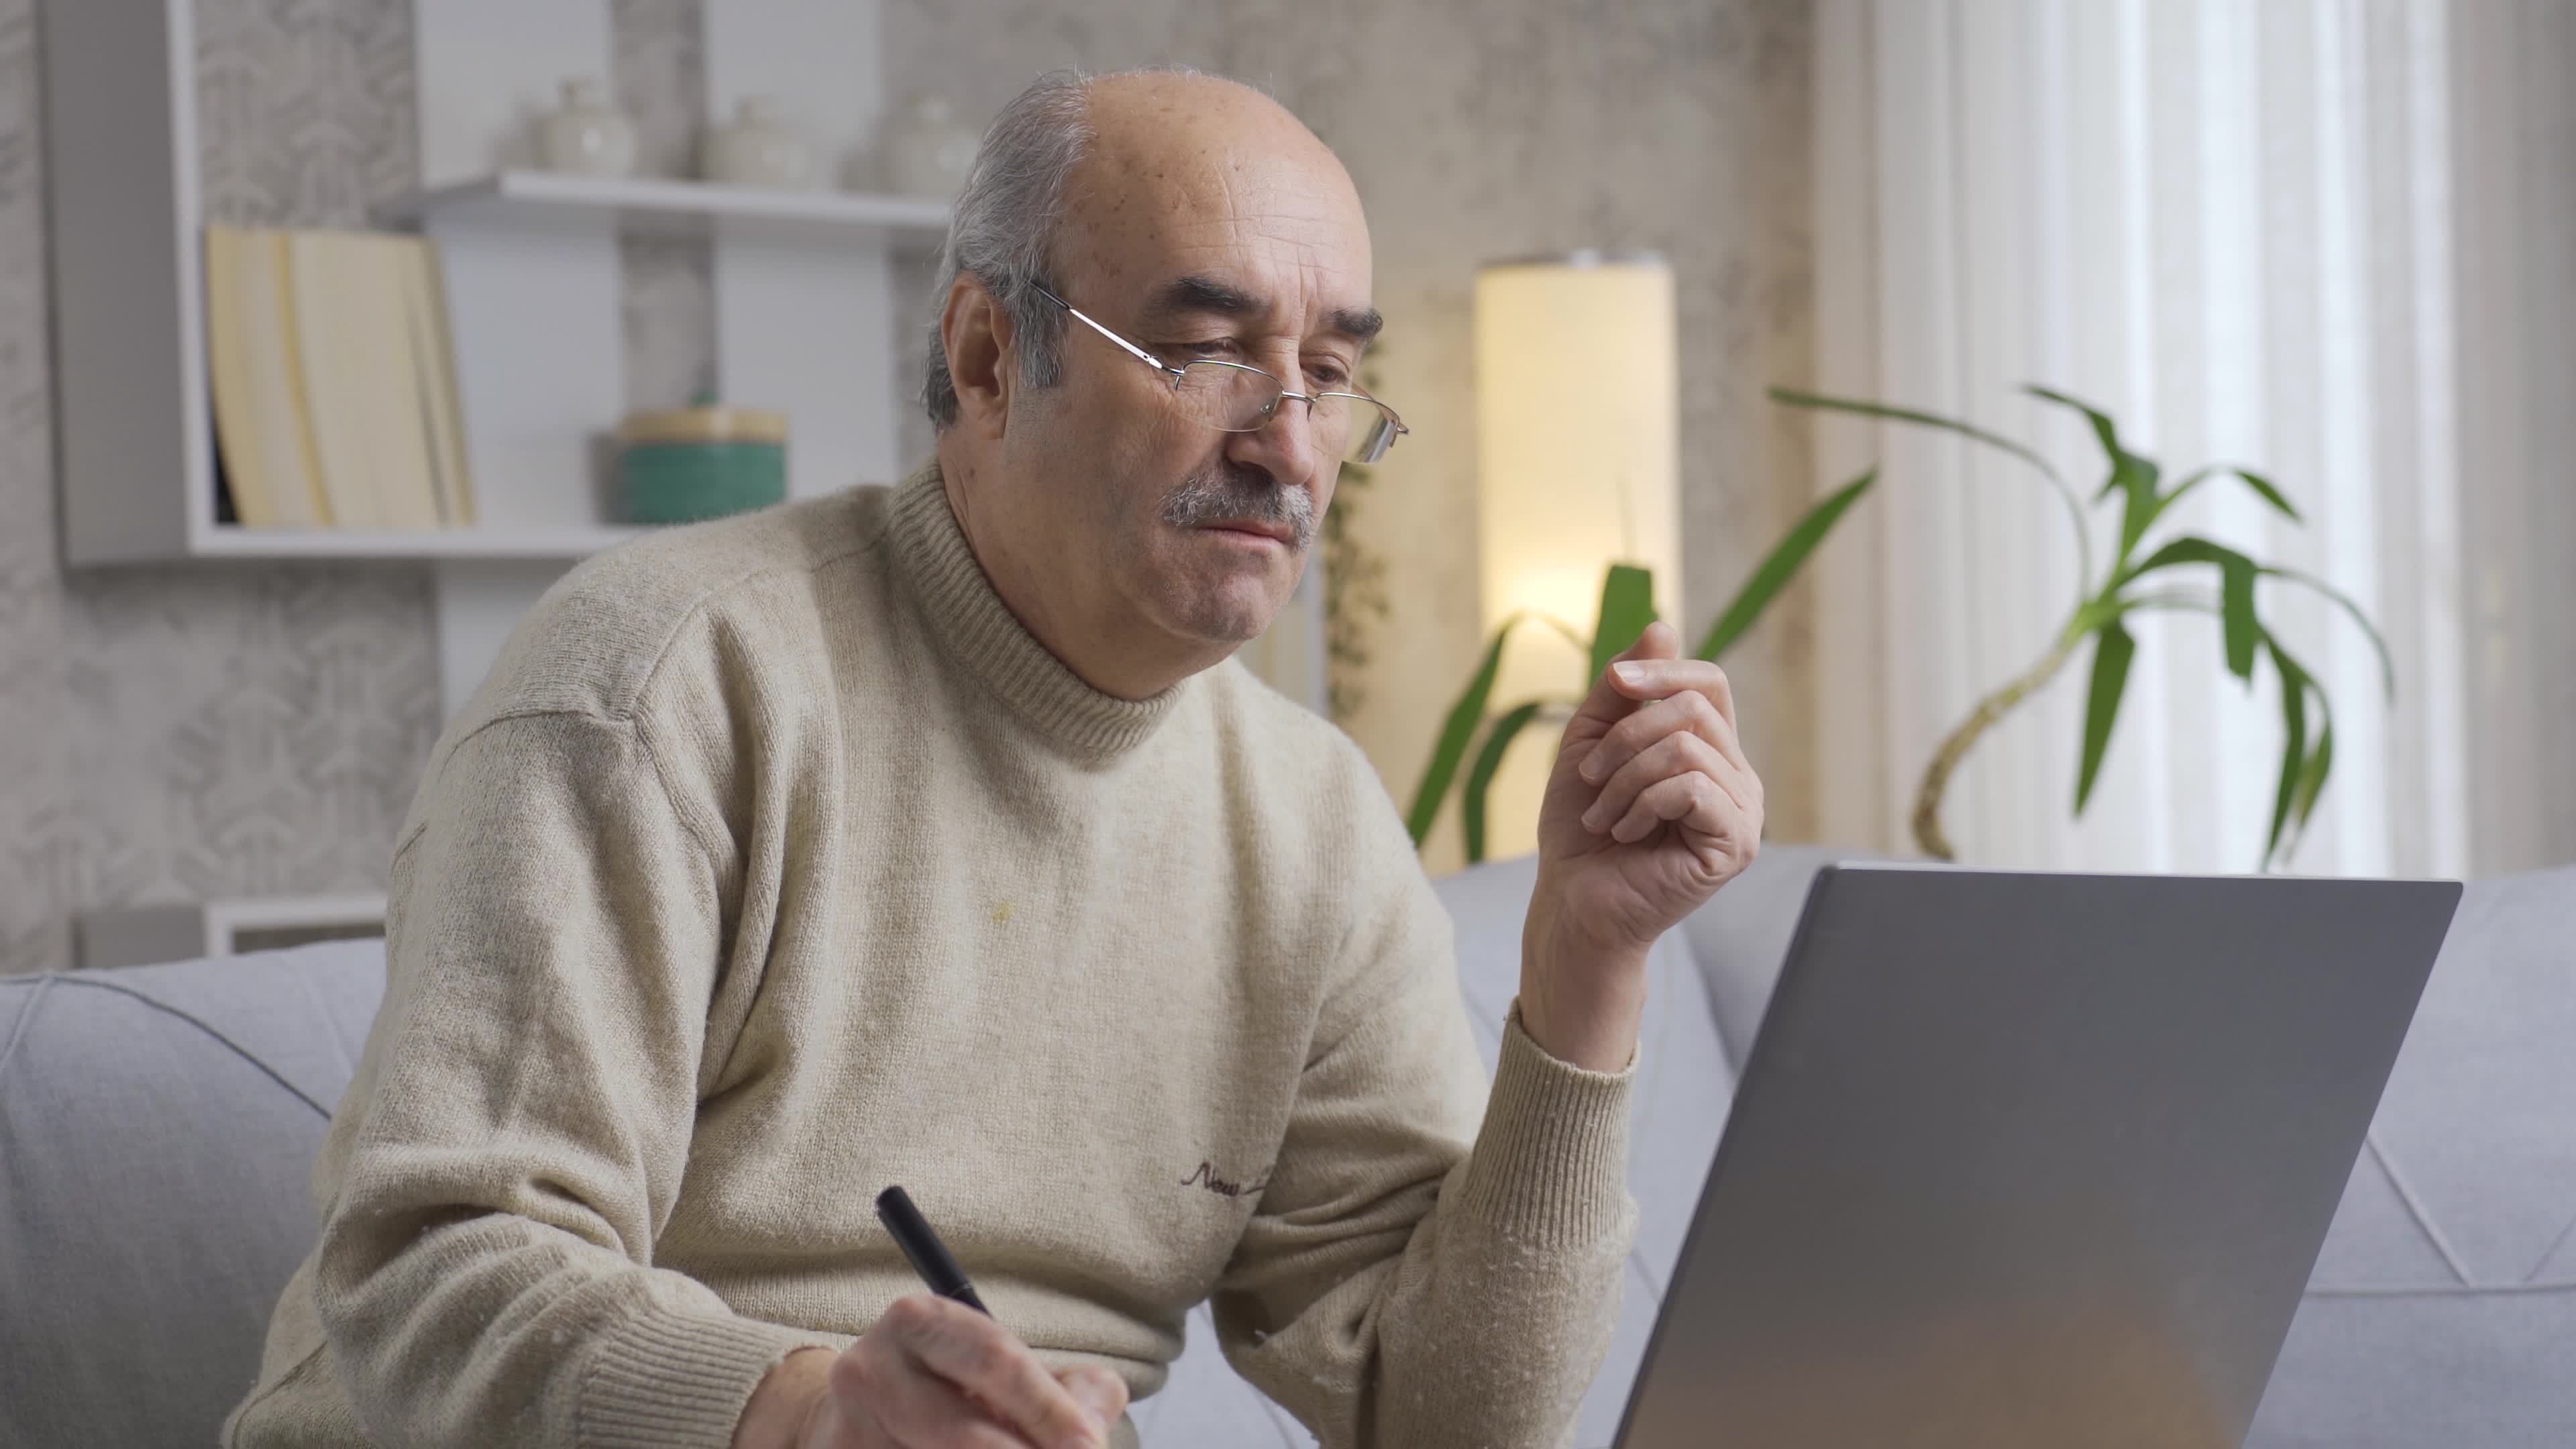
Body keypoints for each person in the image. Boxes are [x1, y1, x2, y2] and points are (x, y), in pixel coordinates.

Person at [225, 66, 1762, 1449]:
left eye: (1333, 373)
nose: (1292, 443)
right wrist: (808, 1414)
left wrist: (1588, 958)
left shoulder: (1310, 824)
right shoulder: (664, 682)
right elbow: (430, 1270)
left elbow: (1440, 1418)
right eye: (1208, 348)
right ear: (984, 356)